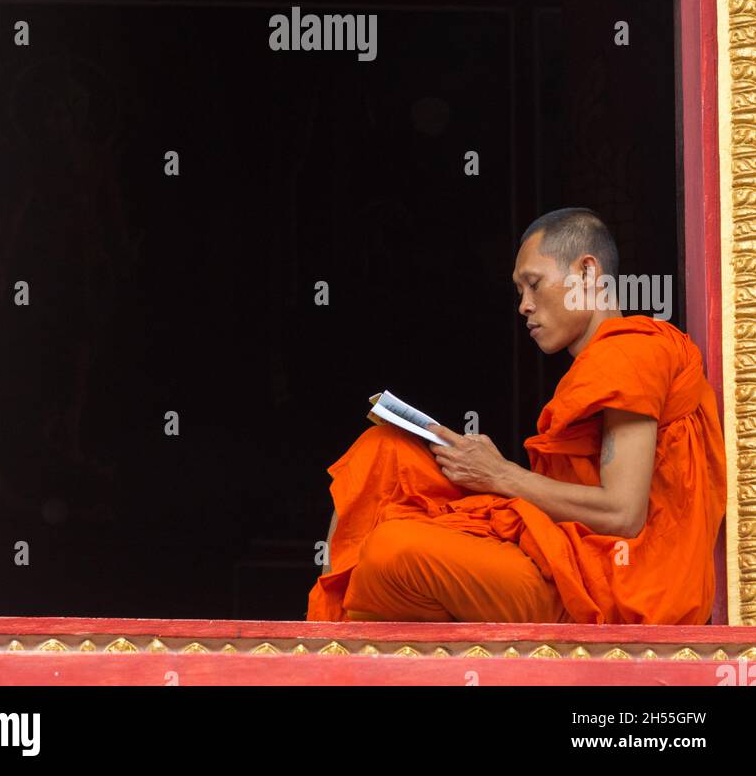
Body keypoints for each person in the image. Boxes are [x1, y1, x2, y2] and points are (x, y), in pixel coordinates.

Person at [306, 208, 727, 624]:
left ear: (586, 273)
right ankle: (326, 635)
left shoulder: (633, 351)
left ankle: (335, 650)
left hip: (592, 585)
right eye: (519, 291)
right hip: (554, 551)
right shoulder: (601, 363)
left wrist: (500, 475)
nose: (524, 306)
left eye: (534, 284)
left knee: (392, 547)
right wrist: (468, 461)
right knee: (384, 451)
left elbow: (623, 514)